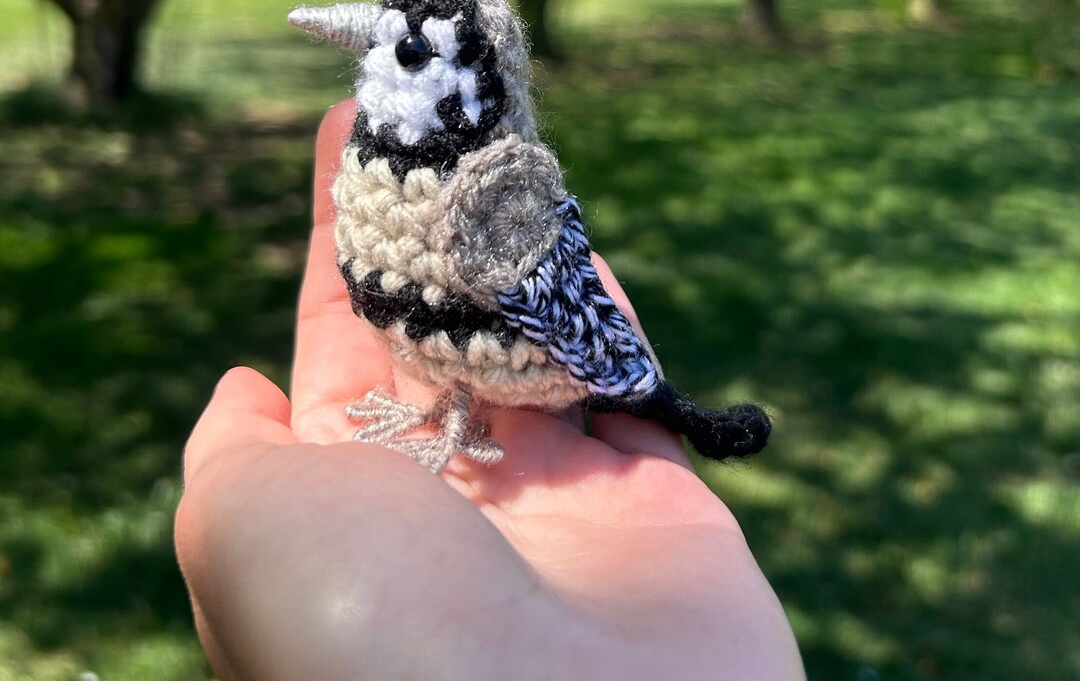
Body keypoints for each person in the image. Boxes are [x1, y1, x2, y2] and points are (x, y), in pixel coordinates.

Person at [176, 99, 805, 681]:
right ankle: (458, 411)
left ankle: (458, 420)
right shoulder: (377, 164)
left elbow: (555, 308)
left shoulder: (490, 184)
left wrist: (621, 380)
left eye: (414, 52)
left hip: (534, 356)